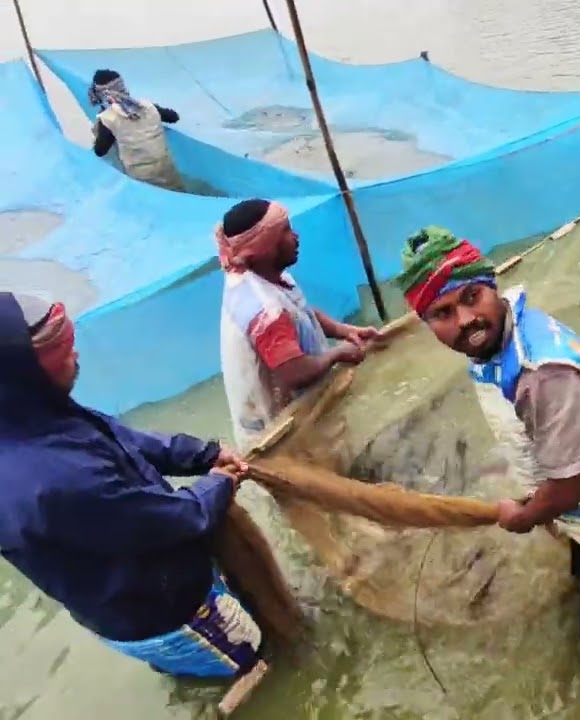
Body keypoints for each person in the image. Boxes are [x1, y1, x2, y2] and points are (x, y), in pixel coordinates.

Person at [396, 227, 580, 659]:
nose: (465, 320)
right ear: (427, 324)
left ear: (492, 286)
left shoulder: (541, 373)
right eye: (443, 313)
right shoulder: (500, 340)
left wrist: (524, 516)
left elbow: (570, 488)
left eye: (472, 297)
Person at [0, 292, 262, 677]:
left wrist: (201, 454)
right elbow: (176, 519)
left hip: (123, 592)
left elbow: (123, 438)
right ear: (25, 373)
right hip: (164, 611)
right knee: (251, 658)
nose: (77, 358)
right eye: (65, 351)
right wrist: (219, 483)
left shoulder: (32, 414)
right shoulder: (53, 478)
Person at [217, 199, 379, 449]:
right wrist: (337, 354)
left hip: (296, 421)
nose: (295, 237)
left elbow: (300, 313)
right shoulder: (266, 312)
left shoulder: (262, 279)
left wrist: (344, 330)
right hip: (281, 441)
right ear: (265, 247)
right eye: (284, 232)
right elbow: (295, 372)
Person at [88, 69, 184, 191]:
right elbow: (173, 117)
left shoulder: (108, 119)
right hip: (167, 169)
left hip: (141, 178)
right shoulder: (147, 106)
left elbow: (100, 151)